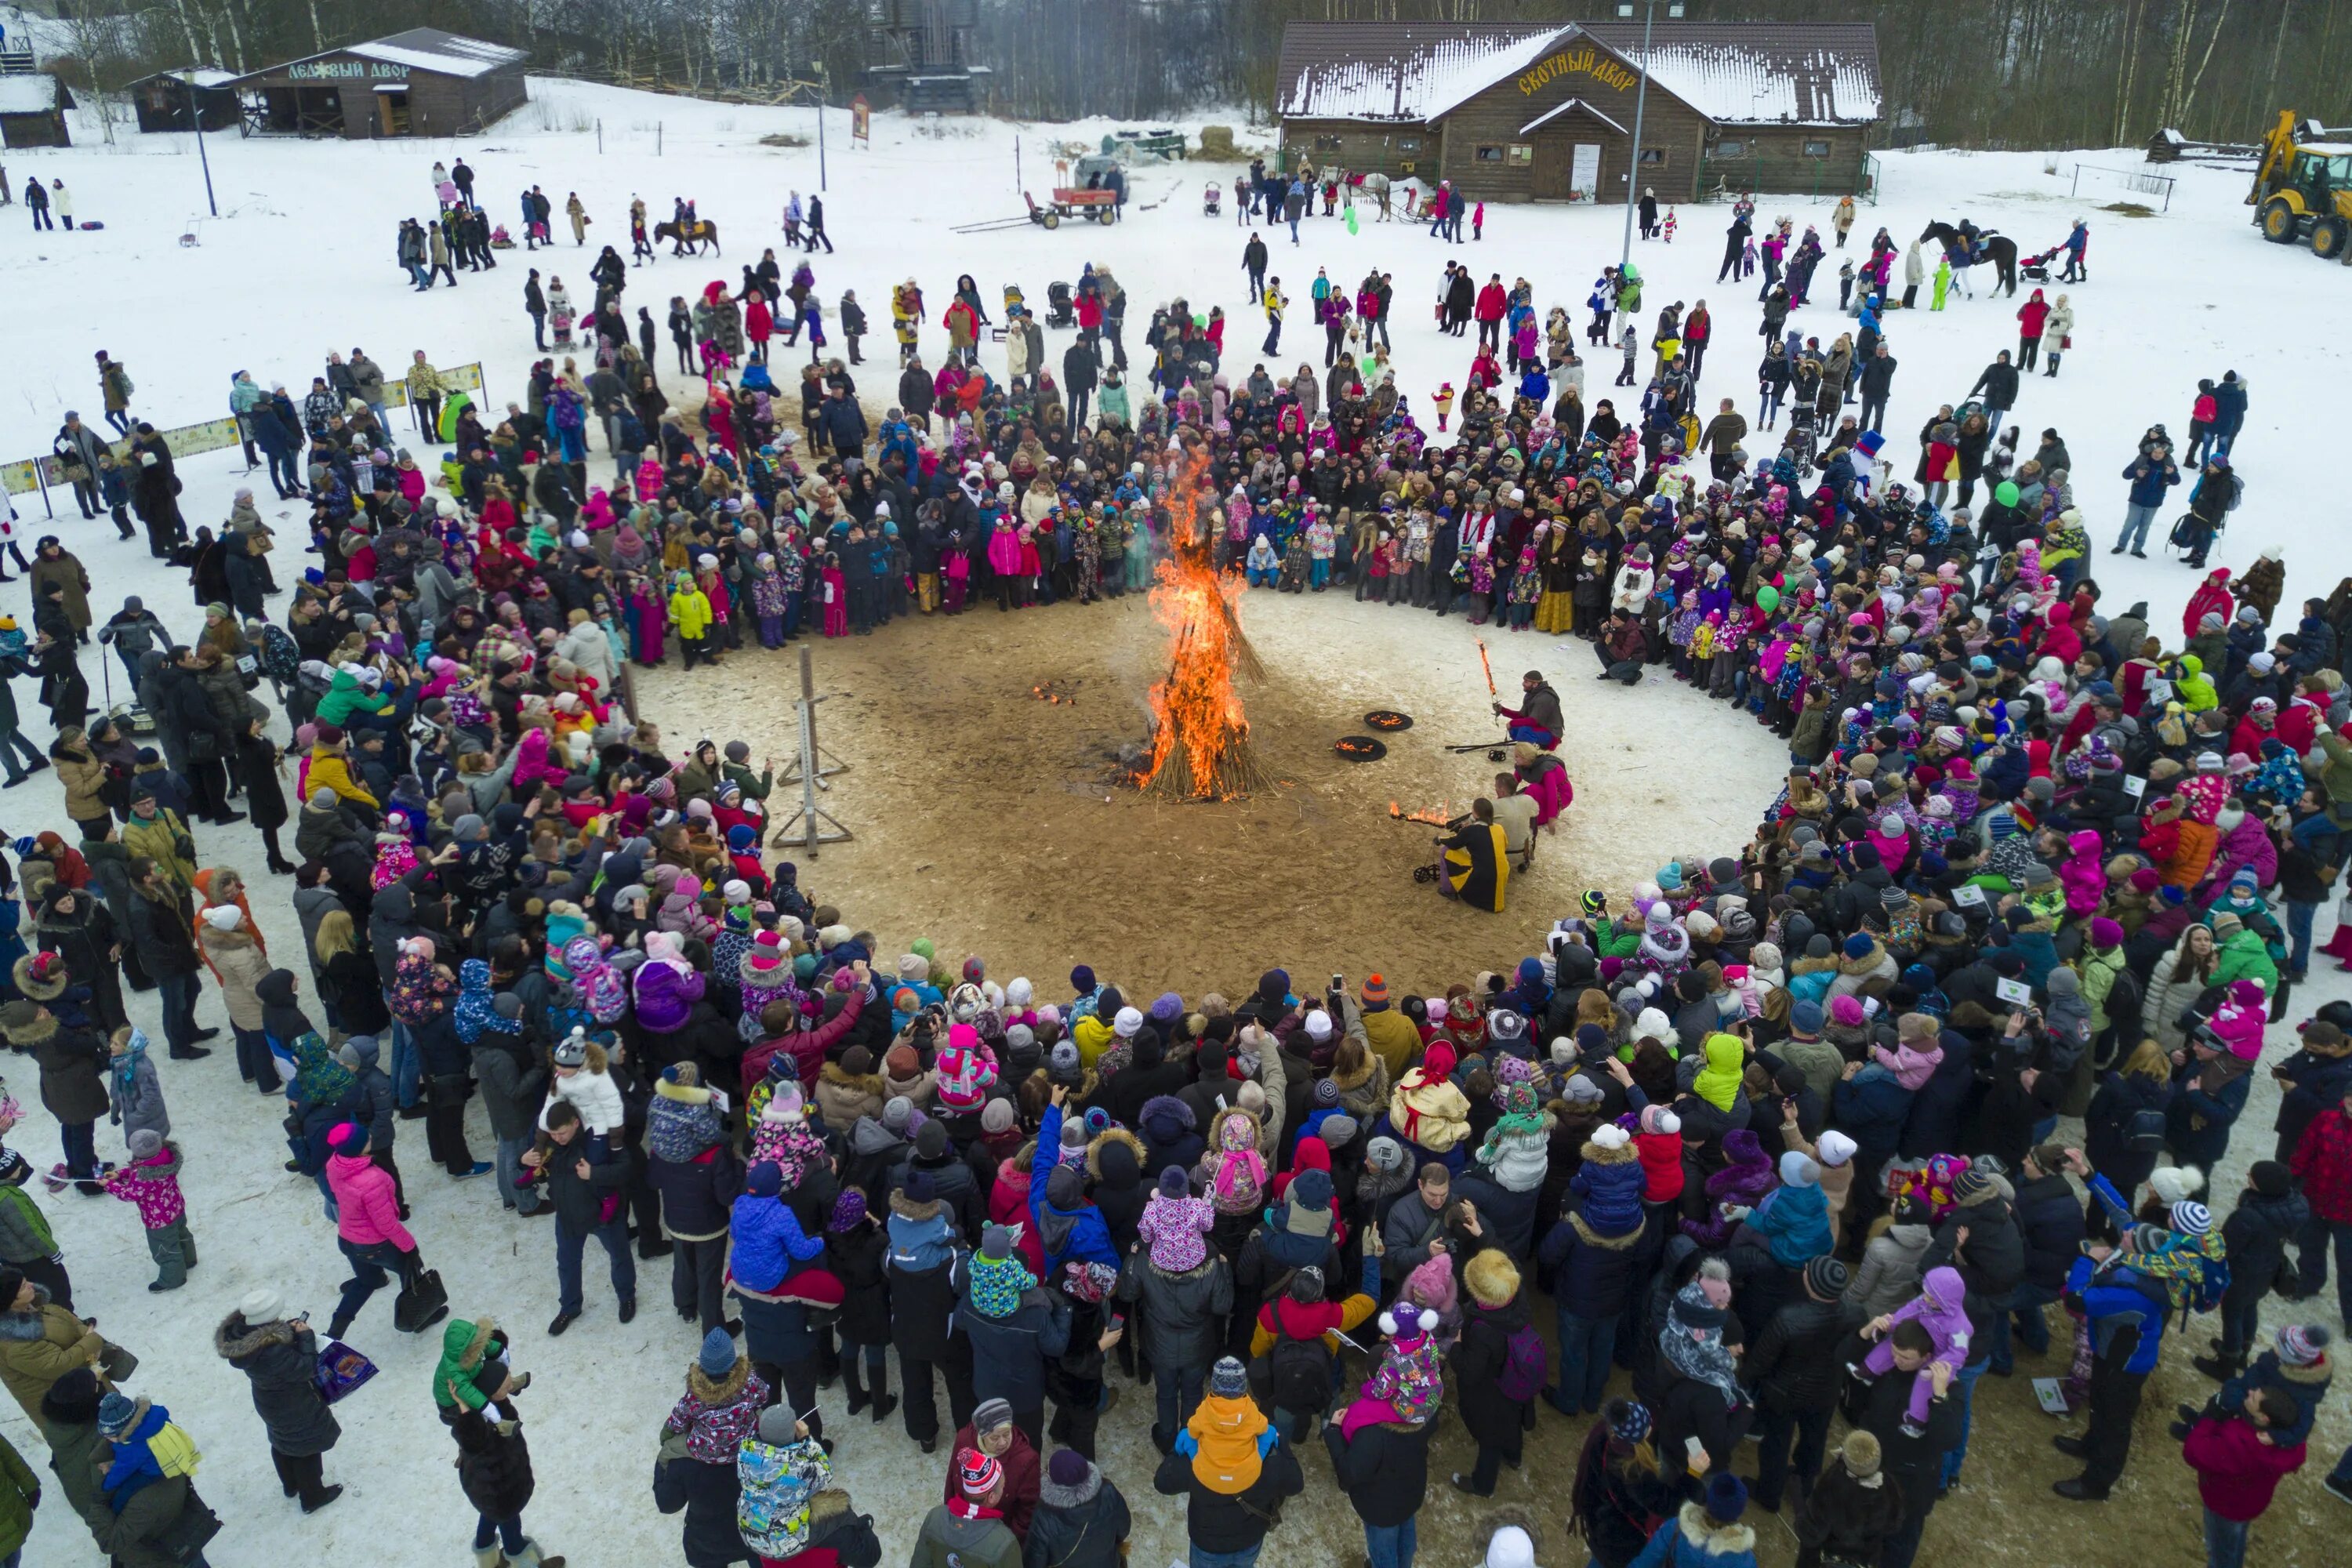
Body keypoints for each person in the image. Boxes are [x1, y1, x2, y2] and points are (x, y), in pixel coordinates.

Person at [213, 1287, 342, 1513]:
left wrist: (285, 1332)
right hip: (294, 1404)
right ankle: (313, 1496)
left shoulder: (243, 1337)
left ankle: (291, 1485)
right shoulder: (272, 1351)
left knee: (282, 1442)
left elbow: (273, 1350)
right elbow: (306, 1368)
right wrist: (306, 1337)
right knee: (306, 1448)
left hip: (270, 1402)